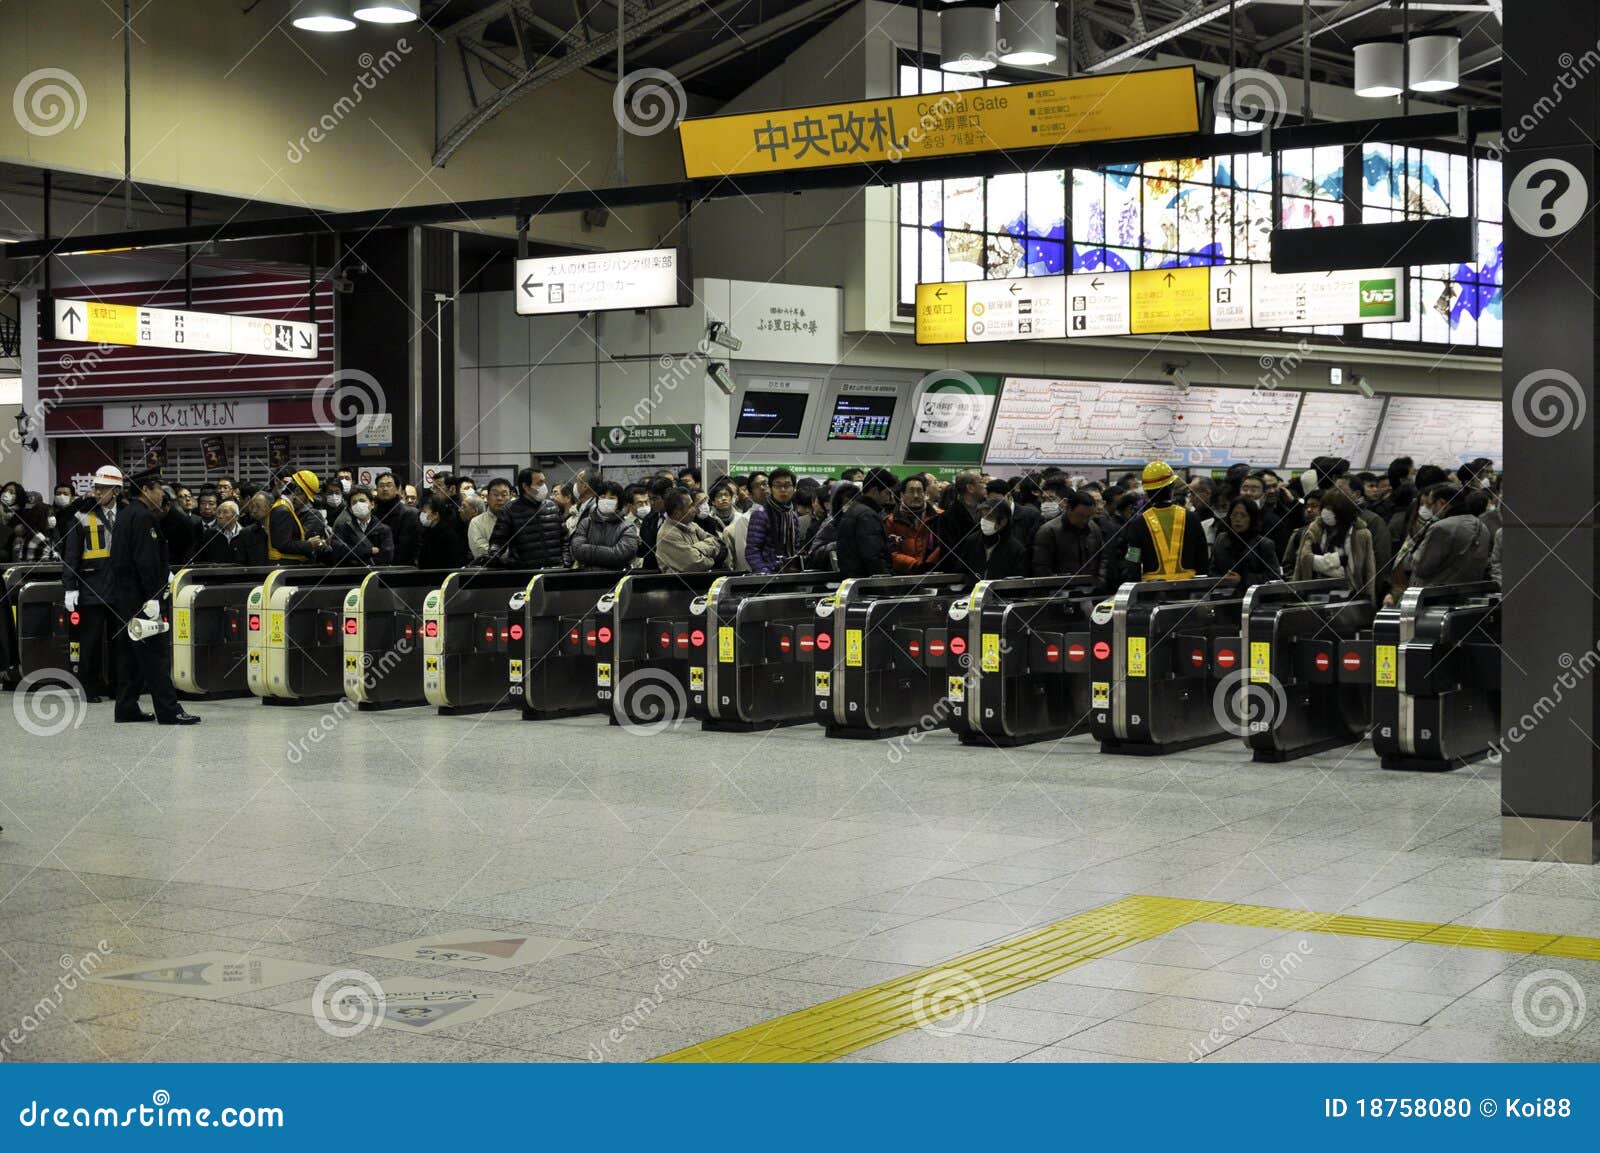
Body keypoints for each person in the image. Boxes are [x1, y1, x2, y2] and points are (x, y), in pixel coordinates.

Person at [109, 469, 199, 725]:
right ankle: (169, 711)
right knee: (155, 655)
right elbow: (146, 562)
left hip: (125, 597)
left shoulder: (126, 514)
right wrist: (154, 597)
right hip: (142, 599)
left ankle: (126, 707)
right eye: (159, 489)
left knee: (129, 655)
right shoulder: (144, 517)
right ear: (147, 490)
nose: (163, 494)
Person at [60, 465, 124, 701]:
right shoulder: (81, 516)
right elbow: (71, 555)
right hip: (91, 587)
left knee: (120, 642)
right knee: (90, 642)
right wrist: (69, 587)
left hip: (119, 589)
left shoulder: (127, 514)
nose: (98, 493)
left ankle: (119, 687)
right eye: (96, 488)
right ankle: (90, 687)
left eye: (103, 488)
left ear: (116, 490)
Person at [1106, 460, 1208, 586]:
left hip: (1152, 592)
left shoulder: (1138, 523)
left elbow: (1133, 562)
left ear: (1147, 493)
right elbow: (1202, 557)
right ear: (1171, 488)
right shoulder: (1192, 518)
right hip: (1189, 589)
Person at [1293, 488, 1376, 602]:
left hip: (1350, 596)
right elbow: (1305, 559)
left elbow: (1367, 570)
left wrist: (1370, 601)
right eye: (1325, 507)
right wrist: (1338, 560)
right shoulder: (1315, 528)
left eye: (1331, 509)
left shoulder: (1361, 534)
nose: (1326, 512)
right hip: (1315, 594)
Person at [1406, 483, 1493, 590]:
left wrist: (1412, 555)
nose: (1431, 509)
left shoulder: (1441, 527)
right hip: (1469, 592)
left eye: (1432, 504)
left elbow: (1422, 569)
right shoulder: (1483, 527)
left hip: (1435, 594)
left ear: (1441, 503)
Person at [486, 466, 564, 569]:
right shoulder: (509, 510)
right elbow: (498, 542)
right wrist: (493, 557)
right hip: (524, 573)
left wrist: (565, 562)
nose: (544, 486)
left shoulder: (553, 506)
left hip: (556, 571)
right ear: (526, 487)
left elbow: (565, 539)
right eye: (539, 483)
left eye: (544, 482)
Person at [1208, 498, 1282, 593]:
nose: (1238, 519)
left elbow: (1273, 577)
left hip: (1254, 598)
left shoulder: (1264, 544)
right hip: (1224, 596)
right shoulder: (1221, 540)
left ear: (1252, 518)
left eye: (1243, 515)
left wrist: (1242, 580)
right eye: (1234, 515)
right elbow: (1212, 571)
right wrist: (1221, 579)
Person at [1031, 490, 1104, 583]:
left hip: (1090, 588)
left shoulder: (1093, 528)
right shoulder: (1049, 531)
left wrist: (1100, 581)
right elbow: (1041, 567)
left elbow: (1102, 558)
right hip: (1060, 590)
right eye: (1080, 515)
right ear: (1069, 509)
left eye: (1089, 516)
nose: (1085, 520)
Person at [836, 469, 896, 578]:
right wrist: (886, 583)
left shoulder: (855, 510)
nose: (888, 499)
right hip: (867, 584)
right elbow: (873, 557)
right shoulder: (867, 515)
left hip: (854, 580)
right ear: (874, 491)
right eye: (887, 493)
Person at [569, 480, 640, 570]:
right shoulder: (586, 523)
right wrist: (610, 551)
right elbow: (577, 550)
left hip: (616, 578)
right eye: (602, 497)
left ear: (619, 502)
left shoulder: (628, 526)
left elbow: (621, 555)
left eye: (611, 498)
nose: (606, 501)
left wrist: (588, 550)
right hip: (587, 577)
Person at [744, 467, 801, 574]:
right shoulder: (760, 514)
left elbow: (796, 547)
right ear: (770, 488)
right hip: (768, 575)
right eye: (778, 485)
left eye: (787, 485)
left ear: (794, 489)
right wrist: (764, 573)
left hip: (791, 573)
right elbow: (752, 551)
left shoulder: (793, 516)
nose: (783, 489)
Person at [655, 488, 726, 573]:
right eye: (691, 506)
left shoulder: (692, 525)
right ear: (677, 513)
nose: (696, 509)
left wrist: (696, 549)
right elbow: (696, 564)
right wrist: (712, 557)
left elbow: (717, 542)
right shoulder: (667, 535)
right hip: (680, 584)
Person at [268, 469, 327, 564]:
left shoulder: (285, 507)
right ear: (297, 490)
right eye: (306, 498)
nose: (306, 502)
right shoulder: (283, 510)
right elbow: (283, 545)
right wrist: (309, 544)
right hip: (284, 564)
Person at [935, 470, 987, 578]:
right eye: (981, 482)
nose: (985, 486)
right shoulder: (948, 517)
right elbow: (950, 552)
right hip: (961, 577)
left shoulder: (989, 510)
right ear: (970, 488)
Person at [886, 474, 941, 574]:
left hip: (935, 573)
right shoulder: (891, 521)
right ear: (902, 495)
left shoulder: (940, 516)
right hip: (903, 576)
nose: (916, 495)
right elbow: (891, 552)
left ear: (925, 494)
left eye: (919, 491)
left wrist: (929, 564)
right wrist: (915, 565)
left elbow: (945, 544)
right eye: (911, 491)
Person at [333, 486, 394, 566]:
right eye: (354, 502)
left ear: (372, 504)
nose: (358, 504)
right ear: (350, 509)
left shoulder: (384, 530)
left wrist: (357, 562)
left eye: (362, 501)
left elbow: (386, 557)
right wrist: (369, 551)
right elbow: (339, 552)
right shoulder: (342, 528)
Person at [371, 472, 421, 565]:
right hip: (375, 567)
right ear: (376, 490)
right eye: (381, 485)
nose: (385, 489)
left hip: (402, 568)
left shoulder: (410, 514)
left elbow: (408, 548)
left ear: (398, 489)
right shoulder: (371, 514)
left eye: (389, 485)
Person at [806, 483, 858, 570]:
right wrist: (835, 546)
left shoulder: (862, 518)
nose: (850, 505)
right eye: (845, 502)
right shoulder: (830, 523)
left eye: (853, 500)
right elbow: (813, 555)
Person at [977, 498, 1028, 579]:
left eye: (989, 517)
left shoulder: (1016, 549)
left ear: (1003, 521)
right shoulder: (971, 541)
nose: (983, 521)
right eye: (982, 516)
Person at [636, 477, 677, 570]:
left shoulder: (680, 517)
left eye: (655, 499)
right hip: (650, 572)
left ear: (667, 497)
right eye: (650, 499)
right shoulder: (648, 519)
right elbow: (643, 551)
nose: (651, 503)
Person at [469, 478, 512, 560]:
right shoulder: (476, 522)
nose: (499, 498)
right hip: (488, 570)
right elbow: (480, 551)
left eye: (504, 495)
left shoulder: (519, 518)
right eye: (495, 494)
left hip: (518, 570)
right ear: (488, 497)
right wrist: (511, 556)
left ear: (510, 497)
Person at [236, 493, 272, 565]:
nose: (254, 511)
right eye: (252, 507)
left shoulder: (280, 530)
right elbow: (241, 562)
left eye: (258, 507)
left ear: (270, 507)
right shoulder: (245, 533)